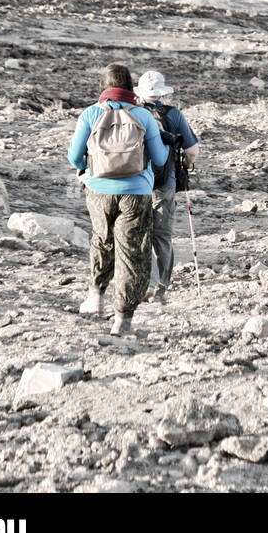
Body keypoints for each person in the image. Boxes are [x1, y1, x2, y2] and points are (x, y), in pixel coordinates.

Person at [67, 63, 169, 337]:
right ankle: (122, 320)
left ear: (103, 87)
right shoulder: (143, 116)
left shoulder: (90, 114)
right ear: (129, 86)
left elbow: (73, 157)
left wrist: (85, 170)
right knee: (132, 252)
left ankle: (95, 297)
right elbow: (159, 159)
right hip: (136, 192)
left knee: (102, 239)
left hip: (98, 190)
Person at [135, 70, 200, 306]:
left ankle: (144, 283)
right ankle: (162, 287)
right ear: (162, 93)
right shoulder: (174, 114)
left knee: (139, 232)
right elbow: (192, 151)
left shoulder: (132, 112)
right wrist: (185, 164)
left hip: (136, 182)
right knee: (162, 236)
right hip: (166, 181)